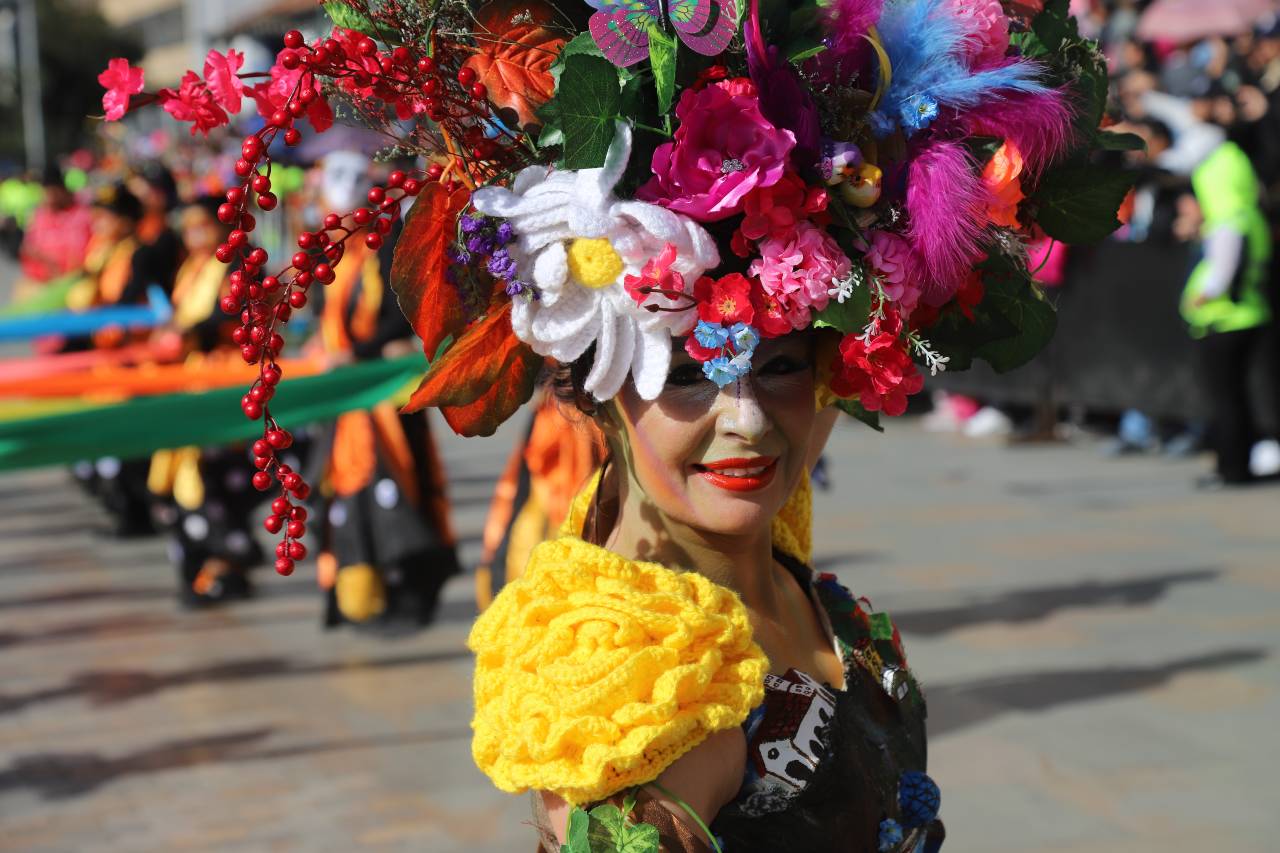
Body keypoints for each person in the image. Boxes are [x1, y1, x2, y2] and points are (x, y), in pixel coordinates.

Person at [305, 150, 460, 631]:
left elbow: (400, 313)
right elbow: (319, 311)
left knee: (397, 486)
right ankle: (357, 595)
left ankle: (406, 591)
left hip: (381, 390)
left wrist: (363, 351)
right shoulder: (324, 249)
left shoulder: (386, 242)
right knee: (343, 491)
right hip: (341, 394)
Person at [148, 197, 264, 606]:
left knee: (216, 481)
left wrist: (192, 331)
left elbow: (232, 314)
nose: (195, 232)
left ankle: (223, 569)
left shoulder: (242, 262)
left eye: (204, 224)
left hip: (227, 388)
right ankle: (202, 570)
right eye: (190, 224)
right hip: (192, 385)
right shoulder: (193, 265)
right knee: (186, 482)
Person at [1180, 138, 1274, 486]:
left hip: (1224, 320)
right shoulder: (1249, 215)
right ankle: (1237, 466)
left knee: (1226, 400)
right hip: (1245, 315)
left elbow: (1222, 270)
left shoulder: (1228, 221)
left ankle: (1231, 468)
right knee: (1236, 397)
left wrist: (1200, 298)